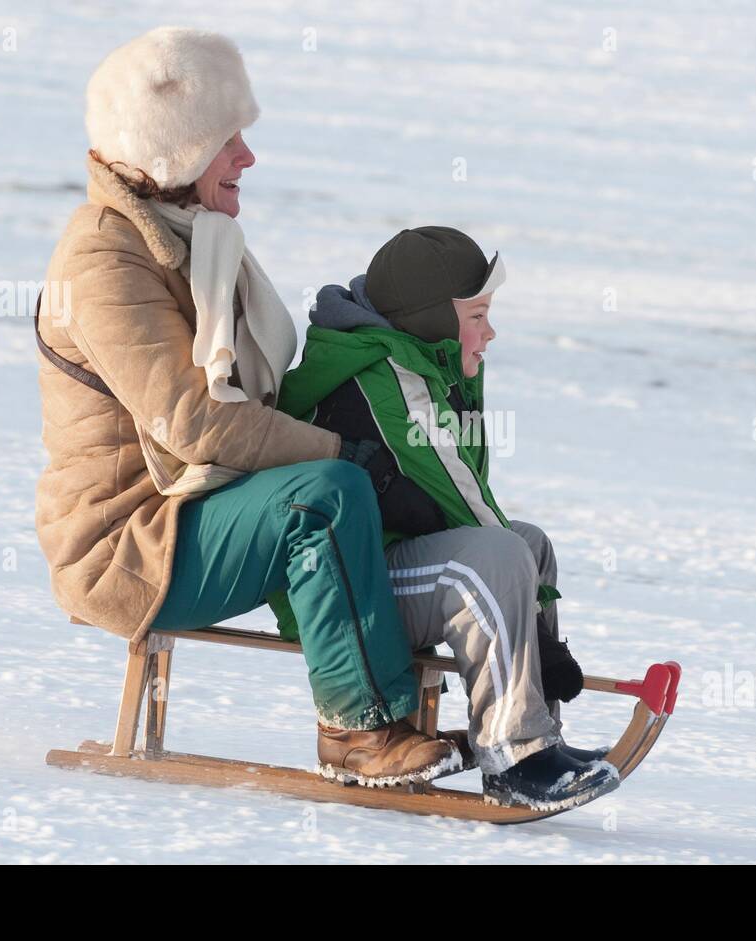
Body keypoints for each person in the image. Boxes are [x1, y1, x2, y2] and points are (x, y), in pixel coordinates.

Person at [34, 27, 458, 787]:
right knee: (322, 499)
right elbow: (190, 420)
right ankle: (358, 731)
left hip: (198, 506)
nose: (247, 158)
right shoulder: (103, 260)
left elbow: (254, 394)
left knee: (355, 479)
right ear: (174, 152)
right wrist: (336, 456)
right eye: (228, 139)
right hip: (129, 541)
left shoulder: (189, 236)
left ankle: (458, 703)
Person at [273, 227, 617, 809]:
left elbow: (471, 494)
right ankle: (515, 755)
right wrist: (537, 629)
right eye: (478, 314)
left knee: (530, 547)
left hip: (387, 562)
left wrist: (534, 615)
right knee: (500, 556)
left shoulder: (434, 367)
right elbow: (469, 507)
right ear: (433, 318)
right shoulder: (390, 381)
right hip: (342, 596)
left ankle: (538, 737)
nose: (490, 331)